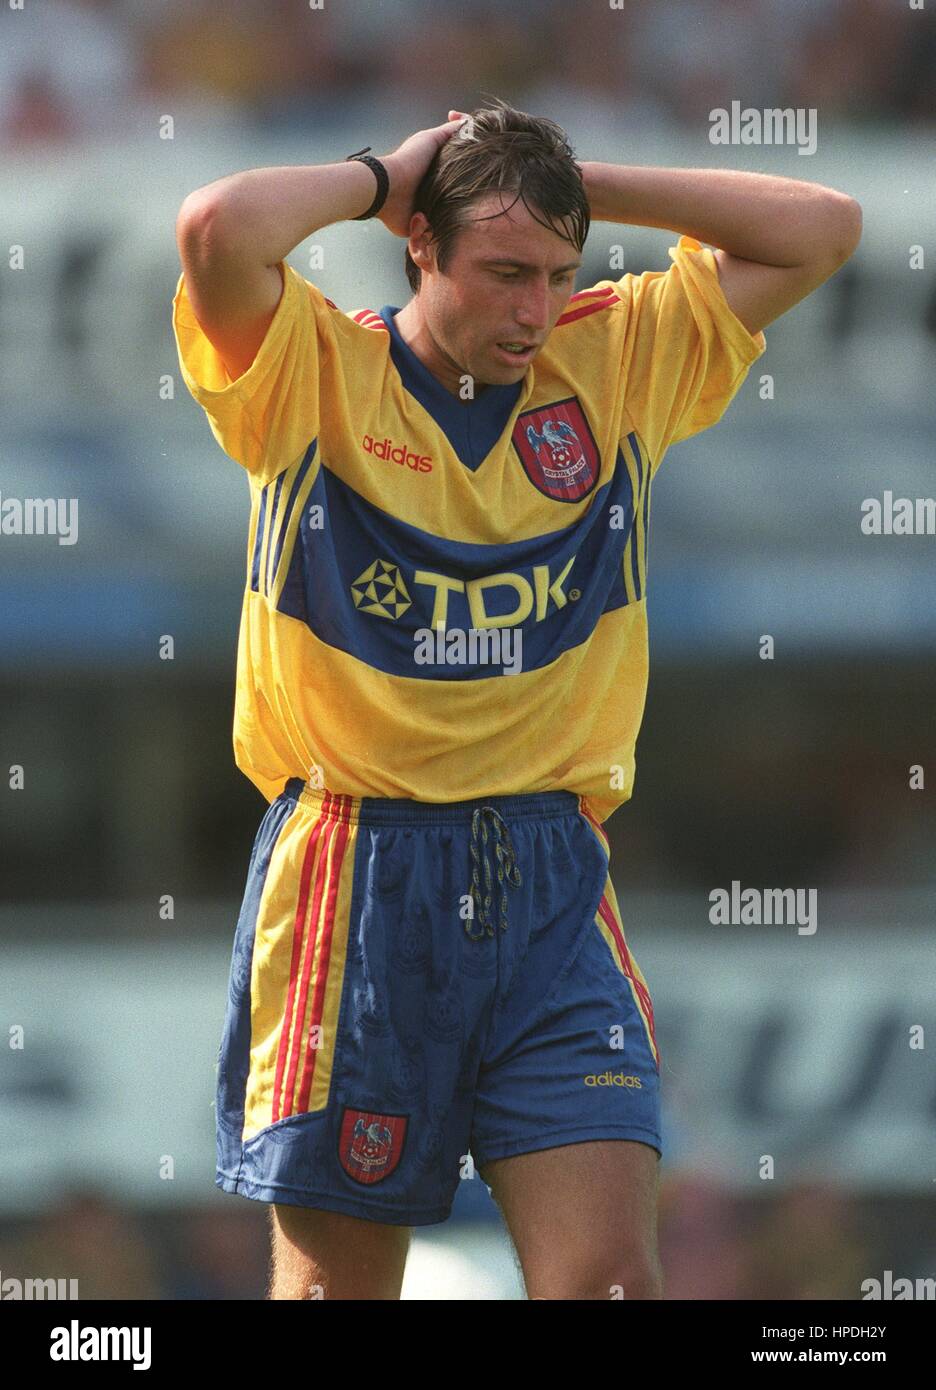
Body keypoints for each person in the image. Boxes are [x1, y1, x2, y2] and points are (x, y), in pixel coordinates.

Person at [172, 98, 861, 1300]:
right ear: (419, 246)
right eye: (502, 270)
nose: (535, 309)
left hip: (550, 878)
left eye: (557, 271)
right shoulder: (310, 369)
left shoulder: (617, 355)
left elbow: (822, 226)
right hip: (358, 880)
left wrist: (557, 181)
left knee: (609, 1281)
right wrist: (387, 171)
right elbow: (220, 227)